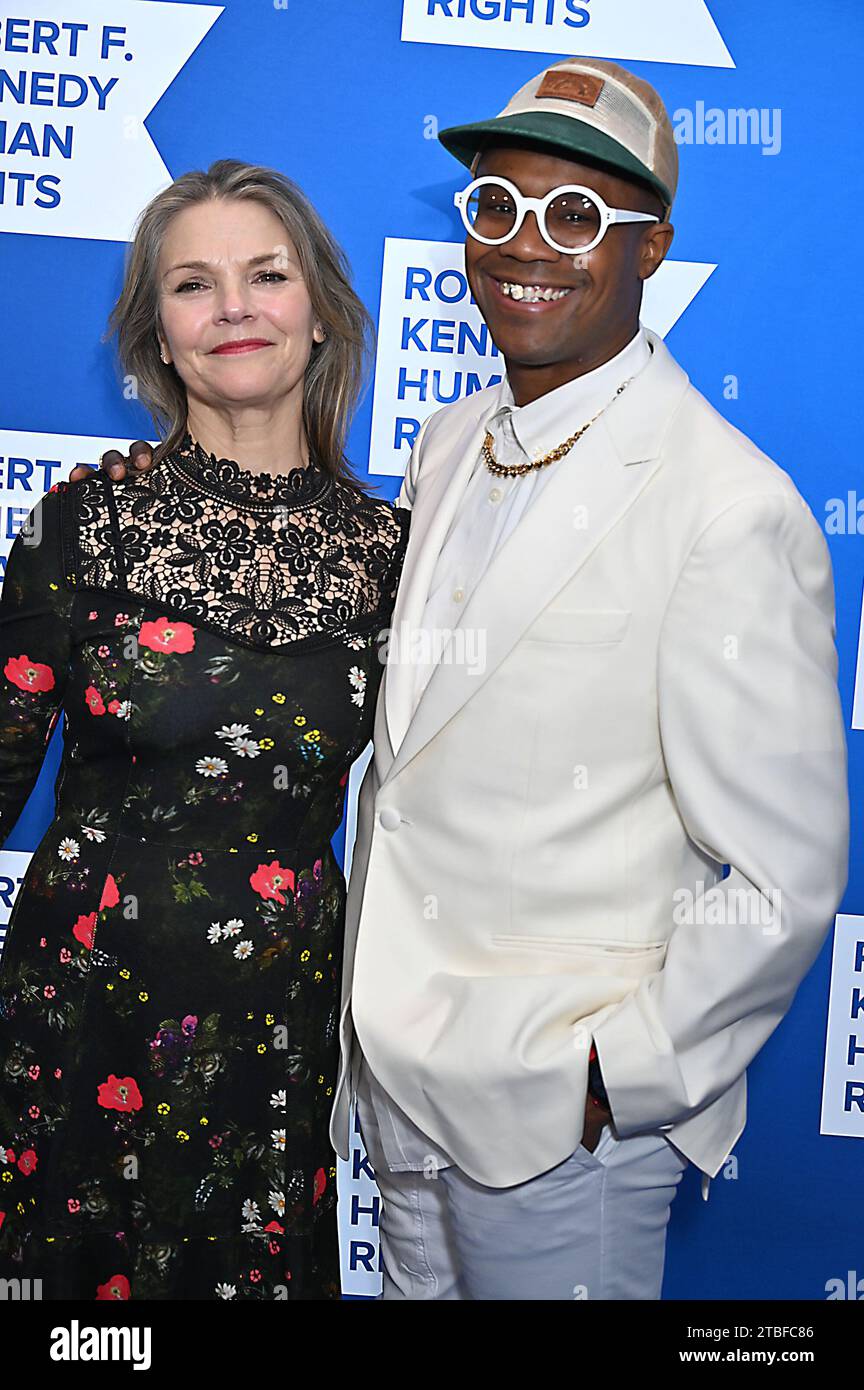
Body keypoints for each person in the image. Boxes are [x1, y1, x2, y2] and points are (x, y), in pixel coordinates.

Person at [81, 58, 850, 1303]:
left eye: (577, 217)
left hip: (560, 1122)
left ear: (650, 248)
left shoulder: (728, 507)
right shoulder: (455, 439)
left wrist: (619, 1074)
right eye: (499, 206)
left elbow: (784, 875)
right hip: (393, 1086)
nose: (527, 246)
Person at [0, 158, 409, 1300]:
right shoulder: (85, 523)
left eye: (266, 275)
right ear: (159, 340)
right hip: (81, 1024)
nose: (234, 305)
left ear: (319, 312)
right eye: (193, 285)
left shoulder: (404, 556)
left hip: (279, 1033)